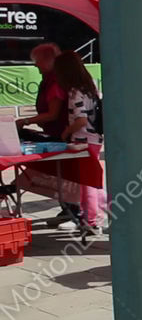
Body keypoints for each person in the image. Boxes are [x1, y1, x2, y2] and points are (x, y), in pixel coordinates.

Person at [18, 42, 80, 230]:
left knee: (68, 175)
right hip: (57, 133)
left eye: (37, 62)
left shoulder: (55, 82)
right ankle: (68, 210)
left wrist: (25, 121)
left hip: (63, 136)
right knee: (63, 174)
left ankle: (76, 213)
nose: (35, 65)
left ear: (48, 60)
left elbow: (52, 114)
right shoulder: (51, 79)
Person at [54, 51, 104, 236]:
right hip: (95, 139)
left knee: (87, 183)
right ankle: (95, 216)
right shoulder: (90, 88)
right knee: (93, 180)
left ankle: (90, 220)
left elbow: (81, 120)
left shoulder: (75, 92)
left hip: (83, 141)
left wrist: (66, 132)